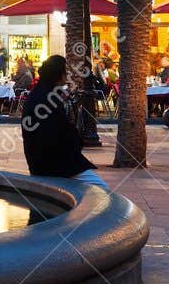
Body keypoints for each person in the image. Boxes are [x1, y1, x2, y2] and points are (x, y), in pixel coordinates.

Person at [20, 55, 106, 186]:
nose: (67, 76)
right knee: (101, 189)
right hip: (55, 163)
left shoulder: (41, 93)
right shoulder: (47, 97)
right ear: (58, 74)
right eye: (65, 71)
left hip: (41, 161)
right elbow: (56, 131)